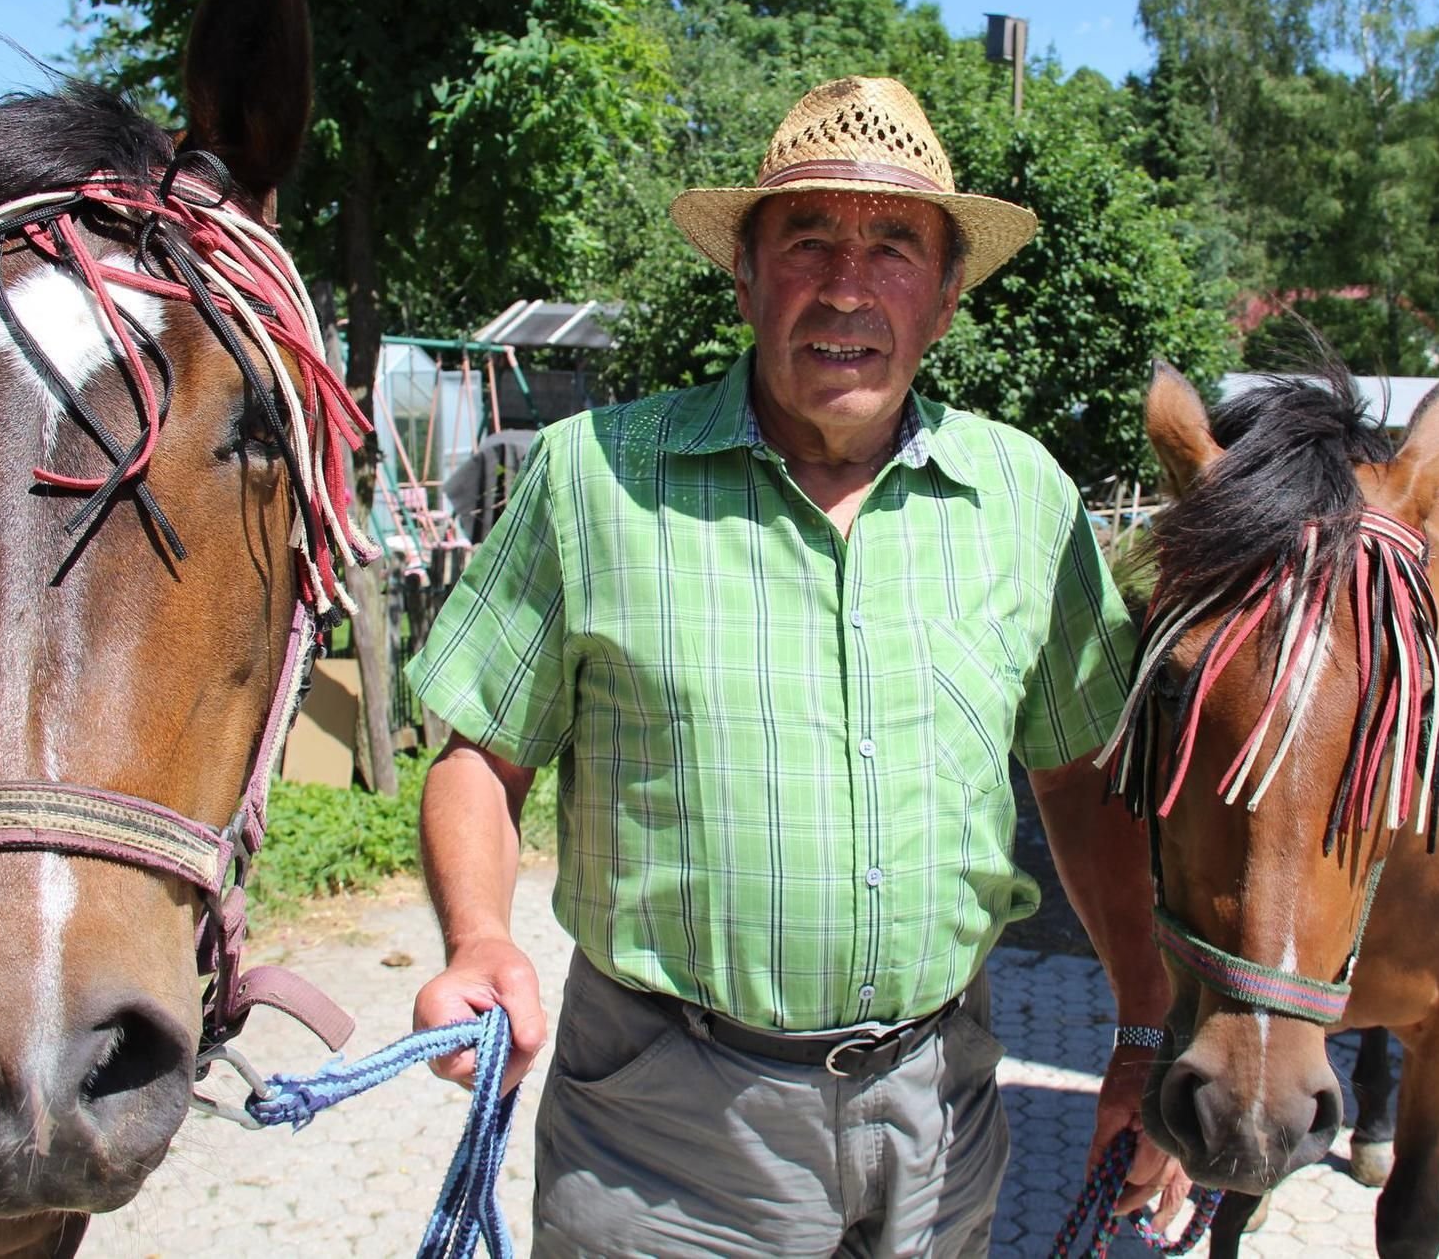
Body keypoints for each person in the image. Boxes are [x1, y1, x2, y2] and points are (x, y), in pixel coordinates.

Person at [408, 75, 1185, 1256]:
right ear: (745, 275)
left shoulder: (1023, 498)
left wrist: (1142, 1026)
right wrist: (477, 937)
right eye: (807, 238)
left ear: (944, 295)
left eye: (891, 248)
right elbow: (482, 750)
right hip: (663, 1132)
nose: (844, 284)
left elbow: (1078, 781)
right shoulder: (591, 479)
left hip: (943, 1112)